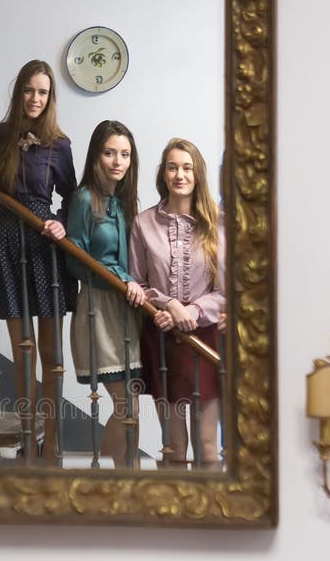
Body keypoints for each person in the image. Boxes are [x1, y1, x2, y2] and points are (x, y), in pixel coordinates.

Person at [0, 60, 77, 461]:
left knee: (51, 356)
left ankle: (54, 440)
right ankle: (29, 437)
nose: (35, 98)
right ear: (19, 93)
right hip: (8, 244)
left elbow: (73, 196)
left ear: (50, 97)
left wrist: (61, 225)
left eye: (43, 92)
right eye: (29, 90)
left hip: (46, 249)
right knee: (22, 352)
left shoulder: (60, 144)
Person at [129, 137, 226, 466]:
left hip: (206, 339)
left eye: (187, 167)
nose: (179, 174)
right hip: (162, 337)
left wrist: (192, 312)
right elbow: (136, 281)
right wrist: (169, 306)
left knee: (208, 446)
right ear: (163, 173)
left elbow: (226, 291)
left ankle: (212, 515)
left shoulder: (218, 223)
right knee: (173, 447)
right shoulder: (143, 223)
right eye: (173, 167)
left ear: (197, 174)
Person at [65, 120, 146, 466]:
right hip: (98, 310)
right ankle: (111, 481)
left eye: (125, 154)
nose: (118, 161)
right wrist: (118, 278)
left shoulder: (125, 202)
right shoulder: (84, 199)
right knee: (125, 406)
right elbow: (76, 260)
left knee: (135, 407)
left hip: (127, 310)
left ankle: (128, 481)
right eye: (110, 152)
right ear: (96, 155)